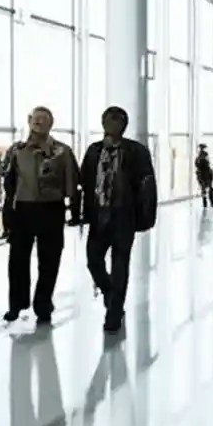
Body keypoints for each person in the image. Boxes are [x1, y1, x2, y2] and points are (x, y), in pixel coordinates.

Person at [75, 106, 157, 333]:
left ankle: (114, 310)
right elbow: (84, 181)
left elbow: (147, 185)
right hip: (99, 214)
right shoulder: (93, 150)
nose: (113, 123)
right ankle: (110, 293)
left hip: (123, 215)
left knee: (120, 263)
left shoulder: (136, 151)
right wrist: (81, 213)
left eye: (118, 119)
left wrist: (145, 217)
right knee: (93, 260)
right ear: (102, 123)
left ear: (124, 124)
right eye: (109, 119)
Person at [1, 106, 78, 325]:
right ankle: (16, 305)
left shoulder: (62, 151)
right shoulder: (16, 150)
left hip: (51, 209)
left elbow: (72, 183)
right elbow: (8, 186)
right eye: (36, 118)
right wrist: (7, 218)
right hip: (22, 209)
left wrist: (75, 210)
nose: (40, 122)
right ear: (29, 120)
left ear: (51, 124)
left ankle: (43, 304)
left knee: (50, 260)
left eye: (45, 119)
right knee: (17, 260)